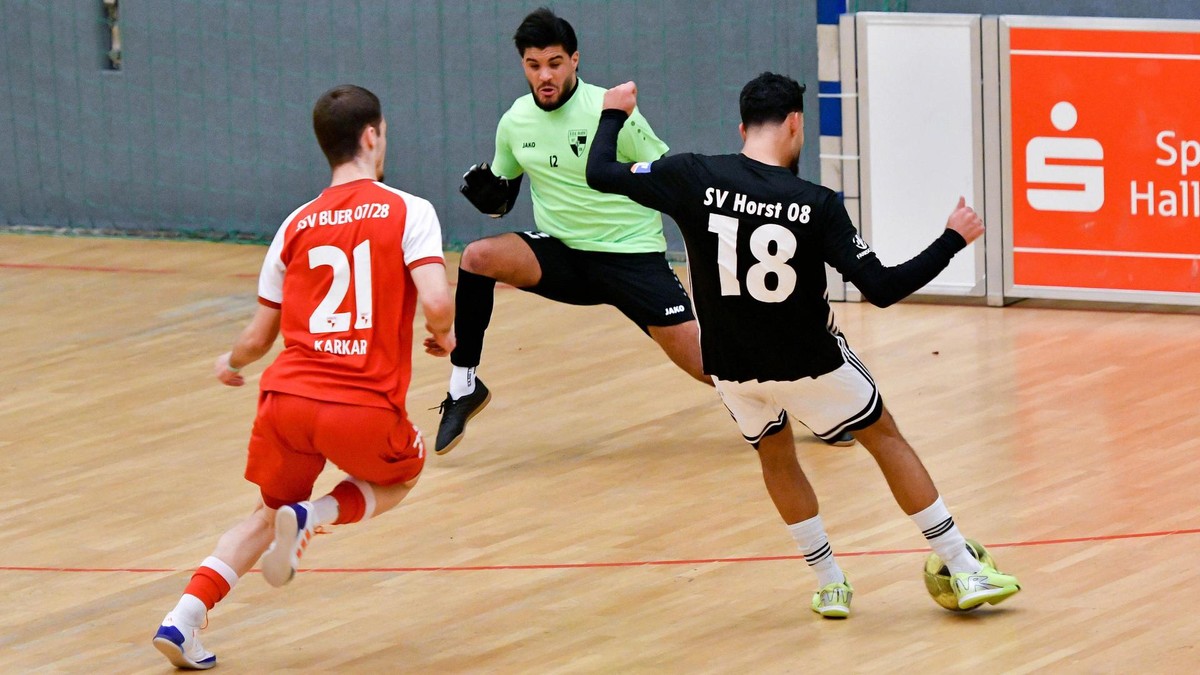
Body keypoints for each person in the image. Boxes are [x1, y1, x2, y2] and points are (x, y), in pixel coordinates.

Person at [586, 73, 1020, 618]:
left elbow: (598, 172)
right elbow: (882, 290)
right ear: (795, 123)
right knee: (886, 439)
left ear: (742, 127)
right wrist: (953, 238)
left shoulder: (690, 175)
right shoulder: (816, 203)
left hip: (730, 366)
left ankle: (830, 583)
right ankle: (963, 566)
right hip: (811, 362)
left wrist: (613, 112)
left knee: (775, 454)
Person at [439, 7, 853, 453]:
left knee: (711, 366)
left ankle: (814, 405)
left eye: (555, 63)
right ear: (522, 64)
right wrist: (492, 199)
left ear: (574, 60)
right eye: (534, 64)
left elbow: (665, 176)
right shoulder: (515, 121)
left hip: (631, 257)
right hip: (564, 255)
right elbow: (504, 193)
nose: (545, 75)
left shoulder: (612, 112)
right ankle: (464, 386)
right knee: (478, 257)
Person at [152, 84, 455, 669]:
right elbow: (438, 304)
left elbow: (257, 338)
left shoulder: (295, 223)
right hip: (361, 405)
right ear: (371, 136)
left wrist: (229, 365)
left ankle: (183, 618)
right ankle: (312, 518)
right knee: (406, 473)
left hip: (285, 401)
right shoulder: (409, 210)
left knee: (263, 515)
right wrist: (445, 336)